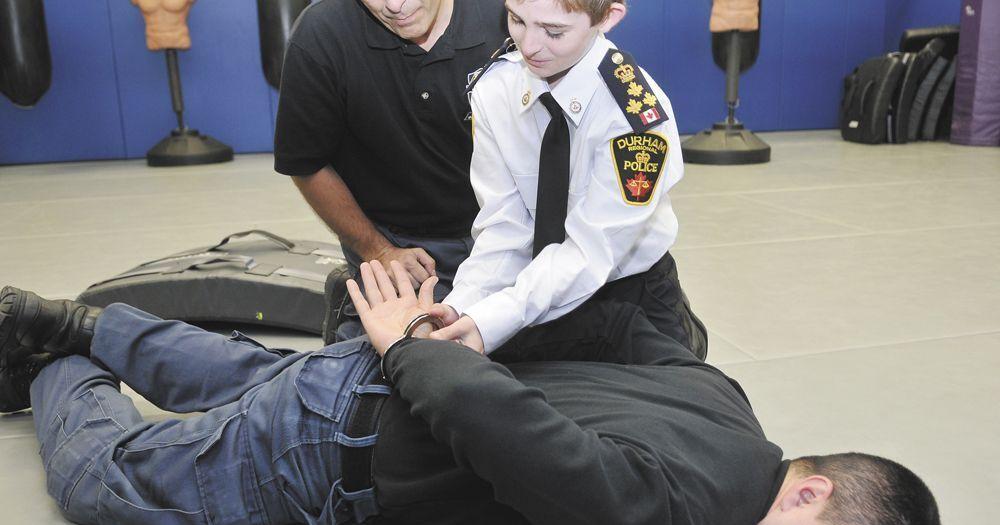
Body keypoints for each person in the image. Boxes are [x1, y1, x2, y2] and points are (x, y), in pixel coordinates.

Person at [1, 270, 939, 525]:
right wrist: (418, 343)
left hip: (360, 381)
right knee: (112, 485)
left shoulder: (725, 400)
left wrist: (461, 328)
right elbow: (521, 436)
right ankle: (53, 363)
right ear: (812, 492)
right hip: (329, 456)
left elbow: (621, 324)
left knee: (251, 373)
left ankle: (78, 321)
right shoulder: (694, 509)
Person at [427, 0, 707, 359]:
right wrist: (466, 304)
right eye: (516, 20)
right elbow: (505, 226)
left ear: (608, 17)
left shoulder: (635, 119)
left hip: (630, 296)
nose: (528, 45)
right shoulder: (496, 90)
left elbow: (590, 252)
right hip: (532, 287)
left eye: (554, 31)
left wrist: (494, 319)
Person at [273, 0, 508, 314]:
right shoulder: (322, 33)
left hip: (505, 227)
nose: (396, 5)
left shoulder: (509, 16)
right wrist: (377, 250)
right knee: (417, 350)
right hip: (395, 240)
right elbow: (307, 165)